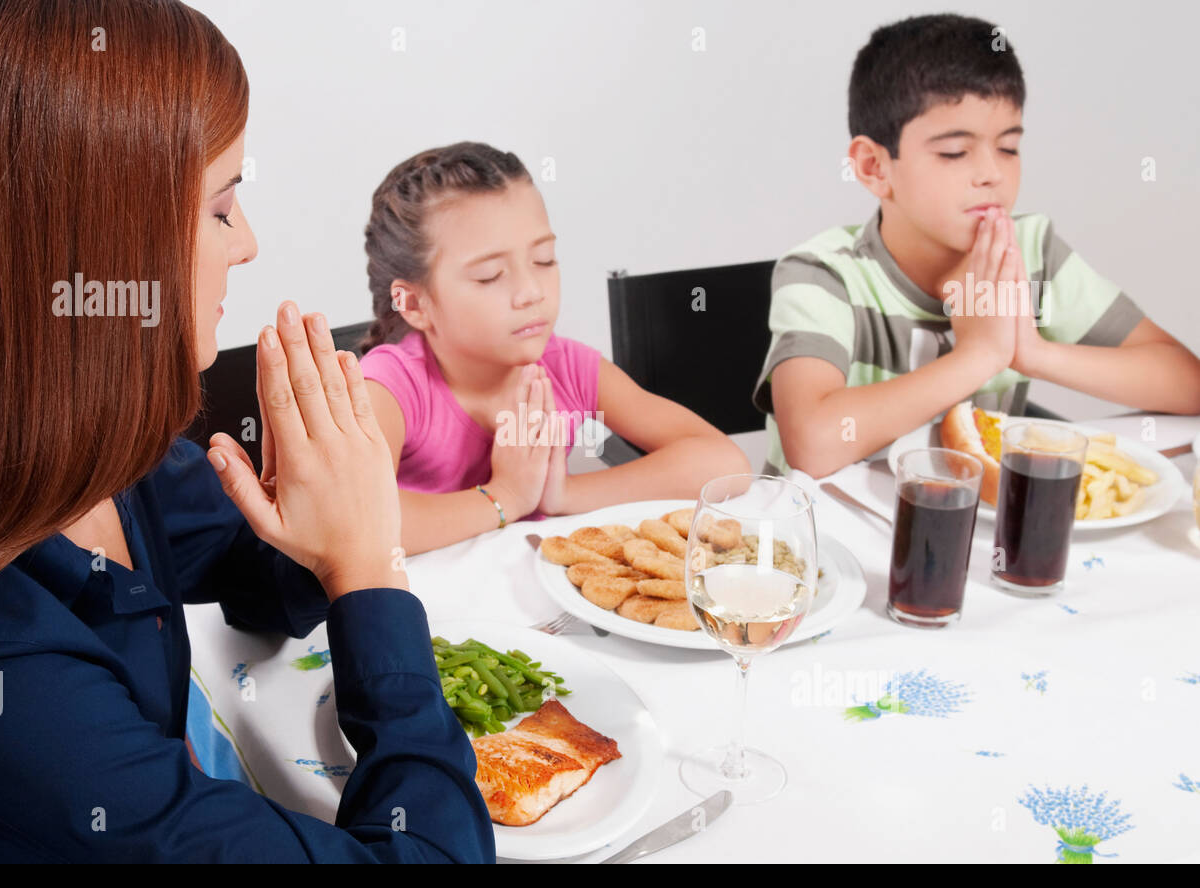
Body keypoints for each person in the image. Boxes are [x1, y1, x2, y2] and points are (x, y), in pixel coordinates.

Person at [0, 0, 492, 863]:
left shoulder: (98, 460)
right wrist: (369, 569)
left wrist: (323, 500)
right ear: (94, 247)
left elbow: (250, 575)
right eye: (221, 208)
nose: (246, 243)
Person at [753, 13, 1200, 478]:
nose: (992, 173)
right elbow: (814, 444)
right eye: (954, 152)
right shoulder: (822, 273)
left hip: (971, 535)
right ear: (873, 167)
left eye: (1008, 147)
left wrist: (1031, 352)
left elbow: (1188, 383)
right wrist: (979, 354)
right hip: (829, 539)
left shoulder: (1031, 254)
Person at [358, 142, 752, 554]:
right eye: (491, 276)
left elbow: (725, 464)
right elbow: (360, 519)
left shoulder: (569, 367)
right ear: (416, 304)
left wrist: (562, 496)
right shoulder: (391, 386)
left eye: (544, 260)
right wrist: (506, 496)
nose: (531, 291)